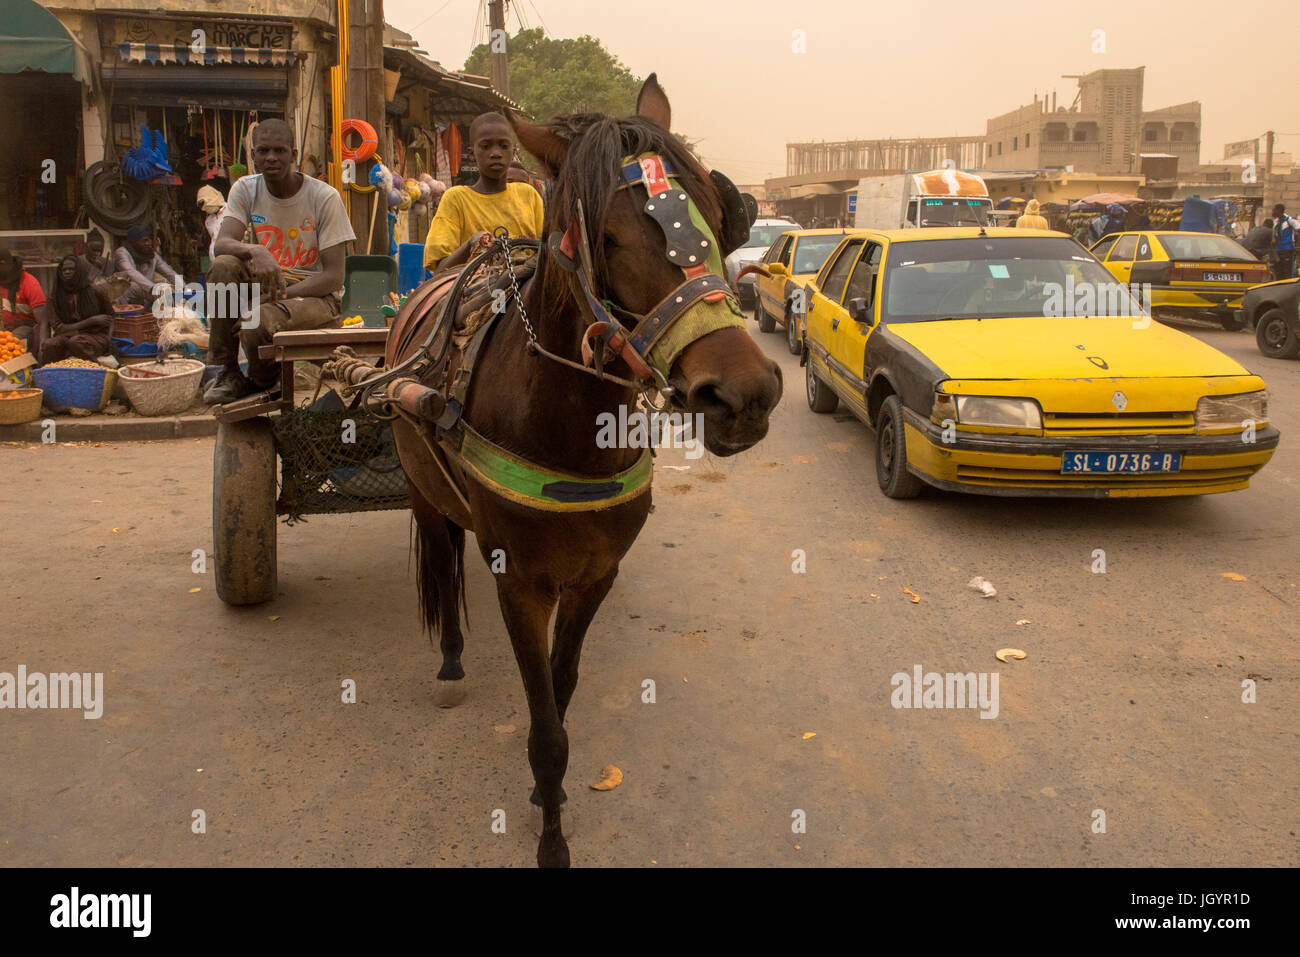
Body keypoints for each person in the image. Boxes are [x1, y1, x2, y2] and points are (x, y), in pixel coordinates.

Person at [203, 118, 355, 404]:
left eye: (279, 150)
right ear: (253, 156)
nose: (271, 158)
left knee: (256, 320)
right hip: (268, 285)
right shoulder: (245, 189)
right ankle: (227, 371)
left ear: (293, 155)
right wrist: (256, 252)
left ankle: (262, 381)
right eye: (263, 151)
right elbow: (223, 243)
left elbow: (334, 277)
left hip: (316, 296)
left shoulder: (324, 197)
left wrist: (272, 297)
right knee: (223, 265)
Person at [422, 112, 544, 274]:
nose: (495, 153)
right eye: (486, 146)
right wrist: (470, 244)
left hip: (526, 295)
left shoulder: (528, 195)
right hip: (474, 296)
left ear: (513, 151)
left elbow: (545, 252)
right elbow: (440, 271)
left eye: (503, 146)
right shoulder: (456, 199)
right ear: (472, 153)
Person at [39, 255, 112, 364]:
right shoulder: (55, 296)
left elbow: (111, 317)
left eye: (71, 269)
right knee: (50, 345)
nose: (67, 272)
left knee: (76, 342)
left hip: (94, 336)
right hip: (66, 335)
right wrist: (91, 321)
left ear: (79, 270)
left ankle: (91, 371)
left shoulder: (96, 291)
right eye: (64, 270)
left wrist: (108, 340)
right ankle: (50, 374)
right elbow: (60, 328)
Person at [113, 225, 182, 306]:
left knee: (169, 289)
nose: (147, 244)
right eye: (144, 241)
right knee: (135, 286)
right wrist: (153, 288)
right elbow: (131, 272)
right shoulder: (121, 252)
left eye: (148, 240)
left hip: (146, 295)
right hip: (125, 297)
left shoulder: (151, 254)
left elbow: (169, 272)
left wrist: (183, 287)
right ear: (134, 242)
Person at [0, 247, 49, 357]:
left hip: (26, 329)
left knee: (10, 345)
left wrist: (43, 349)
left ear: (4, 264)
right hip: (4, 330)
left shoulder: (29, 283)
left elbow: (43, 322)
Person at [196, 185, 227, 261]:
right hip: (215, 261)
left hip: (230, 259)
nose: (204, 208)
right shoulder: (208, 221)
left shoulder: (231, 211)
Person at [1272, 204, 1299, 281]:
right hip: (1278, 250)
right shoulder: (1276, 221)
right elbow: (1275, 235)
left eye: (1274, 210)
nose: (1272, 212)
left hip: (1288, 249)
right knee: (1278, 272)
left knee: (1287, 272)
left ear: (1279, 210)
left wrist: (1297, 246)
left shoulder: (1290, 220)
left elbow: (1299, 231)